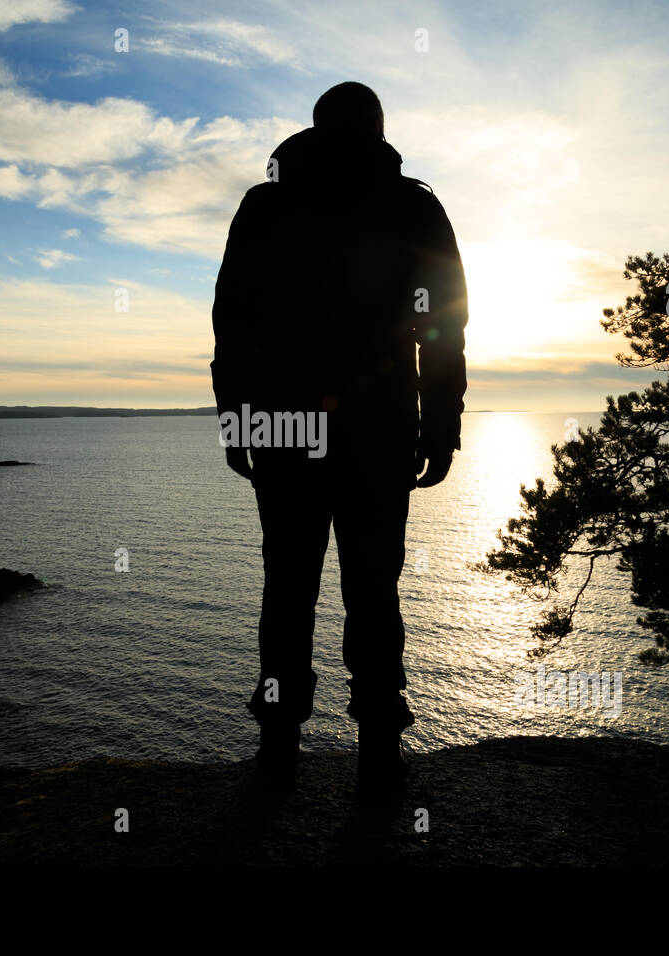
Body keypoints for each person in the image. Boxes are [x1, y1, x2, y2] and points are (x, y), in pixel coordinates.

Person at [210, 82, 468, 798]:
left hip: (285, 427)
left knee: (287, 588)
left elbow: (233, 321)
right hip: (377, 427)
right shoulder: (412, 205)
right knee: (372, 592)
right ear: (379, 129)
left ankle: (277, 751)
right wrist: (440, 427)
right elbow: (442, 328)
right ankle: (379, 753)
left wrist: (237, 417)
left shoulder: (268, 204)